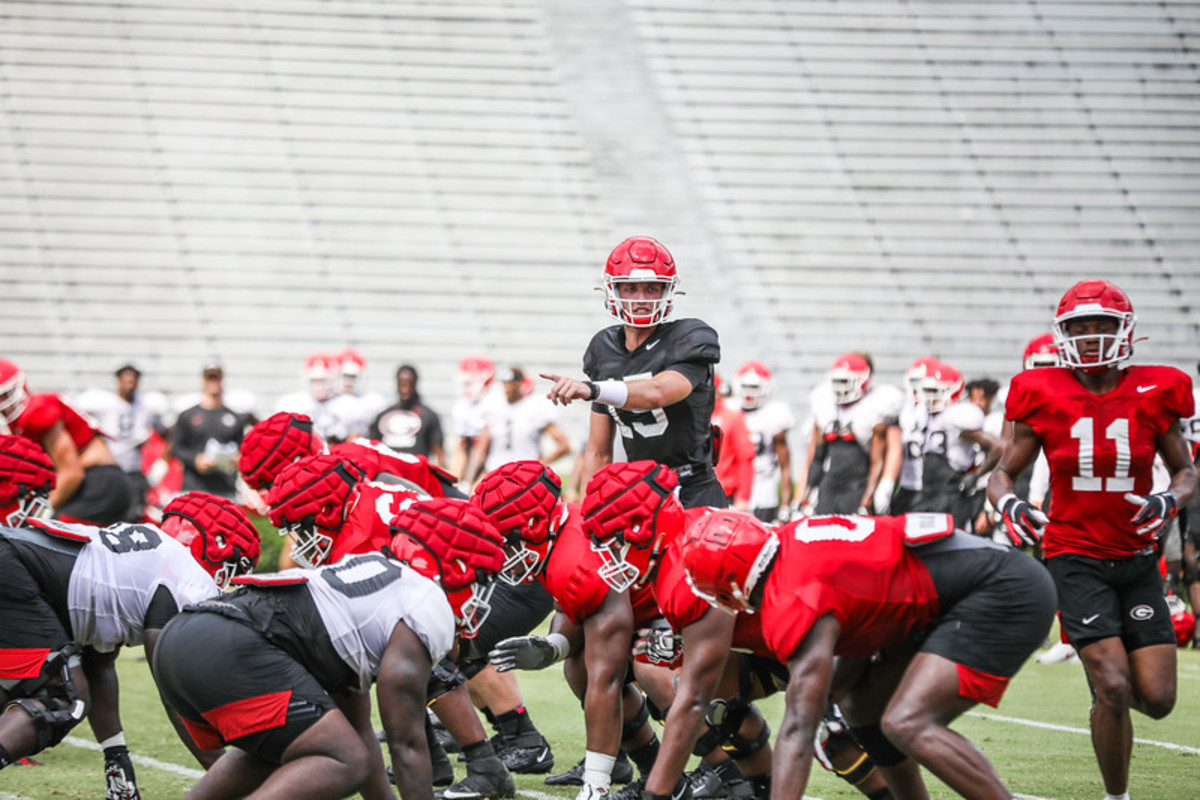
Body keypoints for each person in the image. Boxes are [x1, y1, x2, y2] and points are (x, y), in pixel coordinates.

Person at [986, 279, 1197, 800]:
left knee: (1158, 699)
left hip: (1137, 557)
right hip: (1073, 556)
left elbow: (1186, 471)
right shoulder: (1040, 391)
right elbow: (1002, 473)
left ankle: (1106, 691)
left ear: (1126, 330)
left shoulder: (1158, 389)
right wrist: (1011, 505)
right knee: (1116, 686)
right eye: (1080, 327)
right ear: (1062, 334)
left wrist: (1169, 500)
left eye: (1103, 325)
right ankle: (1116, 794)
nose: (1091, 336)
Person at [682, 508, 1056, 800]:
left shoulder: (792, 595)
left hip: (1000, 590)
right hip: (957, 587)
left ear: (731, 586)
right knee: (861, 708)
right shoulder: (792, 540)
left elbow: (798, 726)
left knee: (907, 722)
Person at [152, 498, 506, 800]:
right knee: (346, 760)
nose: (479, 593)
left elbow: (361, 731)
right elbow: (407, 743)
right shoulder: (425, 602)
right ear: (456, 567)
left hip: (184, 637)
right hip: (232, 642)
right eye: (480, 579)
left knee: (290, 750)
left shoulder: (369, 598)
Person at [0, 455, 260, 795]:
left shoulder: (141, 562)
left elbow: (99, 663)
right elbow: (174, 690)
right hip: (14, 569)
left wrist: (116, 757)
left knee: (14, 691)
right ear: (216, 549)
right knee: (62, 698)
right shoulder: (185, 577)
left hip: (14, 563)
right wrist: (225, 772)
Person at [541, 236, 725, 509]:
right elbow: (598, 451)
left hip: (693, 491)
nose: (641, 299)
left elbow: (657, 393)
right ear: (612, 290)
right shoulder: (603, 348)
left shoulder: (689, 337)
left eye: (652, 288)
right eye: (630, 288)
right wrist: (589, 509)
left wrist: (592, 389)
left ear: (667, 291)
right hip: (639, 493)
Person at [0, 358, 132, 525]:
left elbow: (71, 473)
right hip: (96, 483)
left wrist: (38, 514)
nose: (3, 404)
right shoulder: (21, 422)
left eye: (5, 395)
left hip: (98, 483)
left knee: (46, 531)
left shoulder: (37, 411)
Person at [798, 353, 901, 515]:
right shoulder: (825, 407)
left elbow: (877, 461)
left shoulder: (873, 410)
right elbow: (817, 458)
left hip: (857, 486)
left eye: (845, 382)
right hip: (830, 486)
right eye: (837, 382)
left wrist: (869, 498)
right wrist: (805, 496)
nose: (840, 388)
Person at [909, 359, 1000, 531]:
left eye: (935, 391)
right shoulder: (925, 415)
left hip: (951, 497)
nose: (930, 396)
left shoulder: (957, 417)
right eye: (927, 391)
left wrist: (977, 474)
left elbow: (999, 447)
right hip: (926, 494)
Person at [75, 364, 170, 522]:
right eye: (126, 378)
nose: (130, 382)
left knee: (132, 518)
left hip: (133, 472)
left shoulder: (147, 405)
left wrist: (162, 462)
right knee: (104, 517)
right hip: (108, 471)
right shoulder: (103, 403)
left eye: (133, 379)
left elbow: (167, 434)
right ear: (118, 379)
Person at [463, 367, 571, 490]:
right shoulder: (493, 408)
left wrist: (538, 465)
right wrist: (468, 480)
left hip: (525, 477)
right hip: (494, 473)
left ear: (520, 384)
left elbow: (564, 446)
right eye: (505, 384)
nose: (507, 388)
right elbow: (481, 448)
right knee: (474, 497)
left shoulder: (534, 407)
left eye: (511, 384)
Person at [172, 361, 245, 501]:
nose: (213, 382)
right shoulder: (187, 415)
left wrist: (235, 459)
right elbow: (177, 448)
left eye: (216, 377)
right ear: (203, 379)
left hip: (224, 487)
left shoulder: (234, 417)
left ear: (222, 379)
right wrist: (196, 459)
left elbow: (241, 448)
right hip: (194, 486)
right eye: (210, 378)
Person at [734, 361, 795, 522]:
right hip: (736, 489)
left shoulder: (773, 414)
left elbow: (785, 466)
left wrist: (785, 506)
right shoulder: (731, 412)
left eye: (754, 387)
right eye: (745, 386)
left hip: (763, 489)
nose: (749, 392)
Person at [372, 364, 447, 466]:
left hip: (416, 472)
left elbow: (438, 452)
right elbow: (374, 449)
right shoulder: (383, 417)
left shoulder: (428, 416)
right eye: (402, 384)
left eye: (409, 384)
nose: (405, 389)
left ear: (415, 384)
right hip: (387, 471)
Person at [711, 375, 756, 511]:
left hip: (724, 495)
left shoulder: (732, 418)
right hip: (694, 493)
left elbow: (745, 458)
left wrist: (744, 497)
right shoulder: (691, 418)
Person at [451, 355, 497, 482]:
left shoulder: (493, 404)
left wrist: (467, 480)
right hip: (473, 456)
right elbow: (462, 445)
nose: (466, 387)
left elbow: (482, 449)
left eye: (470, 383)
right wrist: (455, 480)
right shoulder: (462, 405)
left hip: (493, 461)